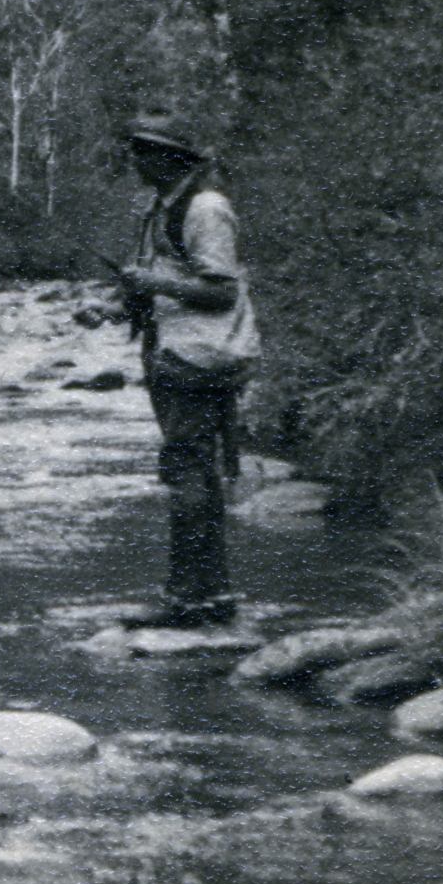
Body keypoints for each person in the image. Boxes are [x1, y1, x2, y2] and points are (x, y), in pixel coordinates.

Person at [94, 110, 263, 629]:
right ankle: (210, 595)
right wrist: (122, 306)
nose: (135, 159)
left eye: (144, 149)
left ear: (172, 157)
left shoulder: (205, 208)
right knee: (197, 472)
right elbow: (171, 279)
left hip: (197, 359)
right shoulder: (164, 206)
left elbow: (221, 289)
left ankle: (188, 600)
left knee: (187, 471)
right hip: (177, 354)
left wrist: (150, 284)